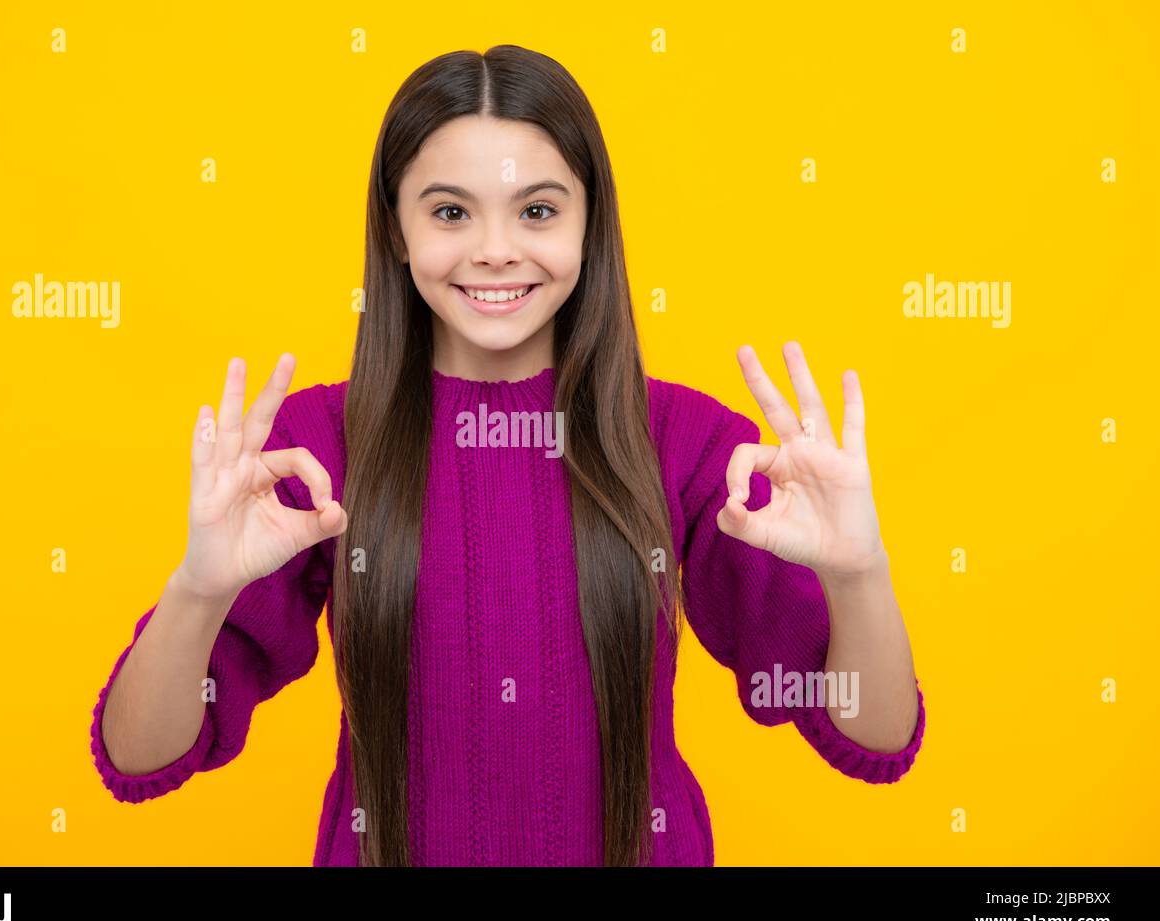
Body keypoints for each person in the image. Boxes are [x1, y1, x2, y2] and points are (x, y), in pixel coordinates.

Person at [91, 44, 925, 867]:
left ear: (590, 224)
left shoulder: (685, 443)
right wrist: (199, 589)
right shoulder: (313, 453)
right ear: (397, 228)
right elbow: (140, 756)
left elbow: (875, 736)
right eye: (451, 212)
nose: (496, 249)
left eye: (537, 210)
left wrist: (860, 573)